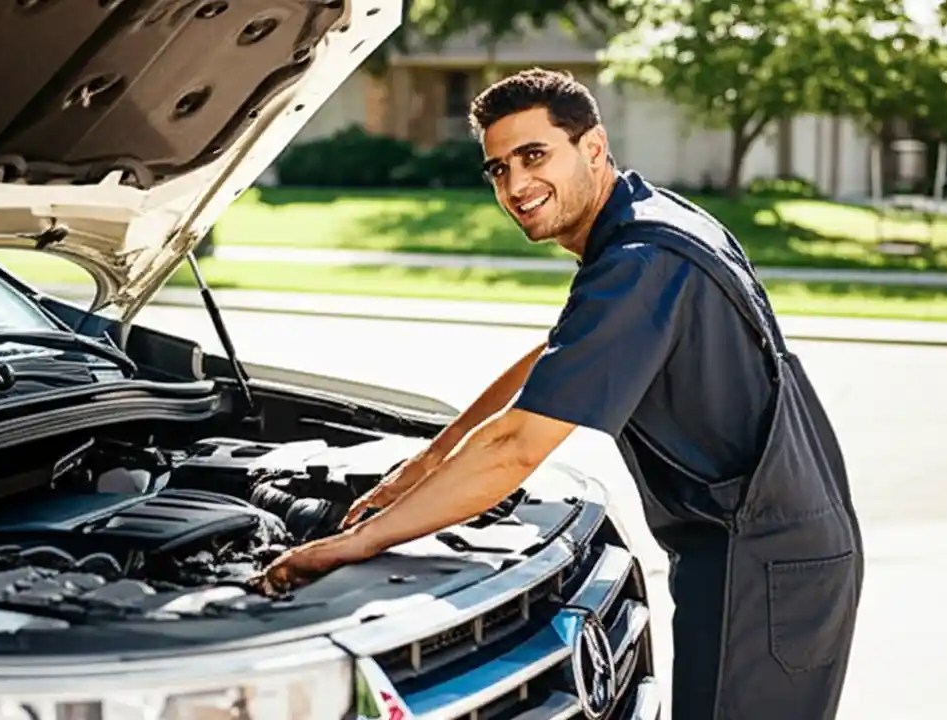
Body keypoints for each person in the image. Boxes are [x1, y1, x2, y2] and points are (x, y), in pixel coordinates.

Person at [256, 68, 864, 719]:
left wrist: (352, 545)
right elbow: (557, 353)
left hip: (759, 562)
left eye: (534, 155)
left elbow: (517, 448)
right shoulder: (649, 222)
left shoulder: (638, 266)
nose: (516, 185)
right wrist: (430, 461)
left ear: (594, 148)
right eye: (497, 169)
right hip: (780, 544)